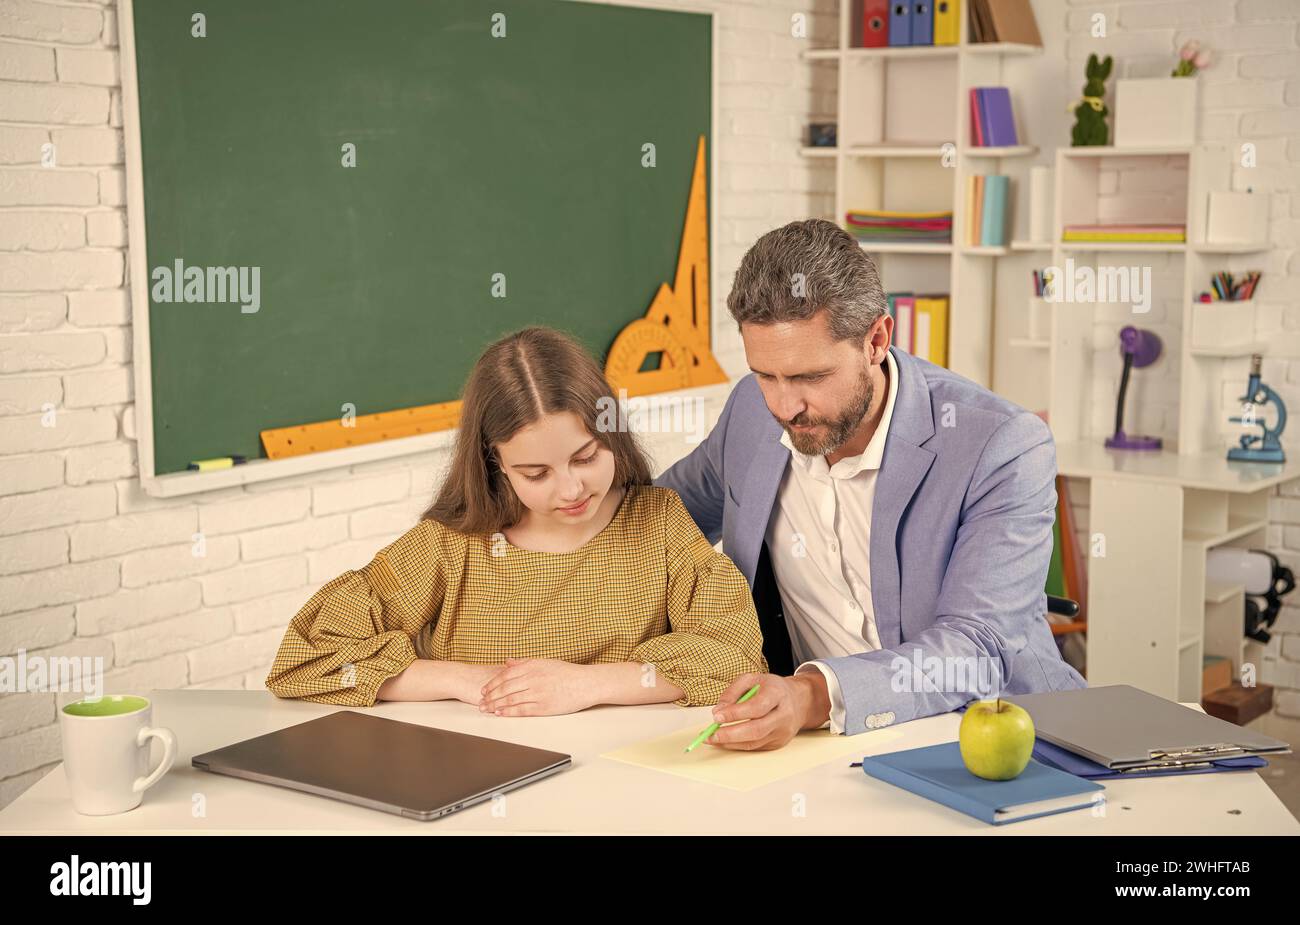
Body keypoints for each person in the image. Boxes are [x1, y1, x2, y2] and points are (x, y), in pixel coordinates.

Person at [656, 218, 1087, 750]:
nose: (784, 406)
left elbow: (979, 648)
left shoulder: (1001, 446)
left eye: (810, 377)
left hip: (996, 734)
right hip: (819, 751)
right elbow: (655, 520)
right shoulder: (751, 411)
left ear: (876, 341)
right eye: (766, 375)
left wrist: (812, 694)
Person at [265, 326, 767, 714]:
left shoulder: (659, 526)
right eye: (536, 473)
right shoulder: (449, 546)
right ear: (495, 464)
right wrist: (466, 680)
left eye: (587, 457)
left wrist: (583, 685)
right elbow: (307, 659)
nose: (570, 490)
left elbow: (734, 656)